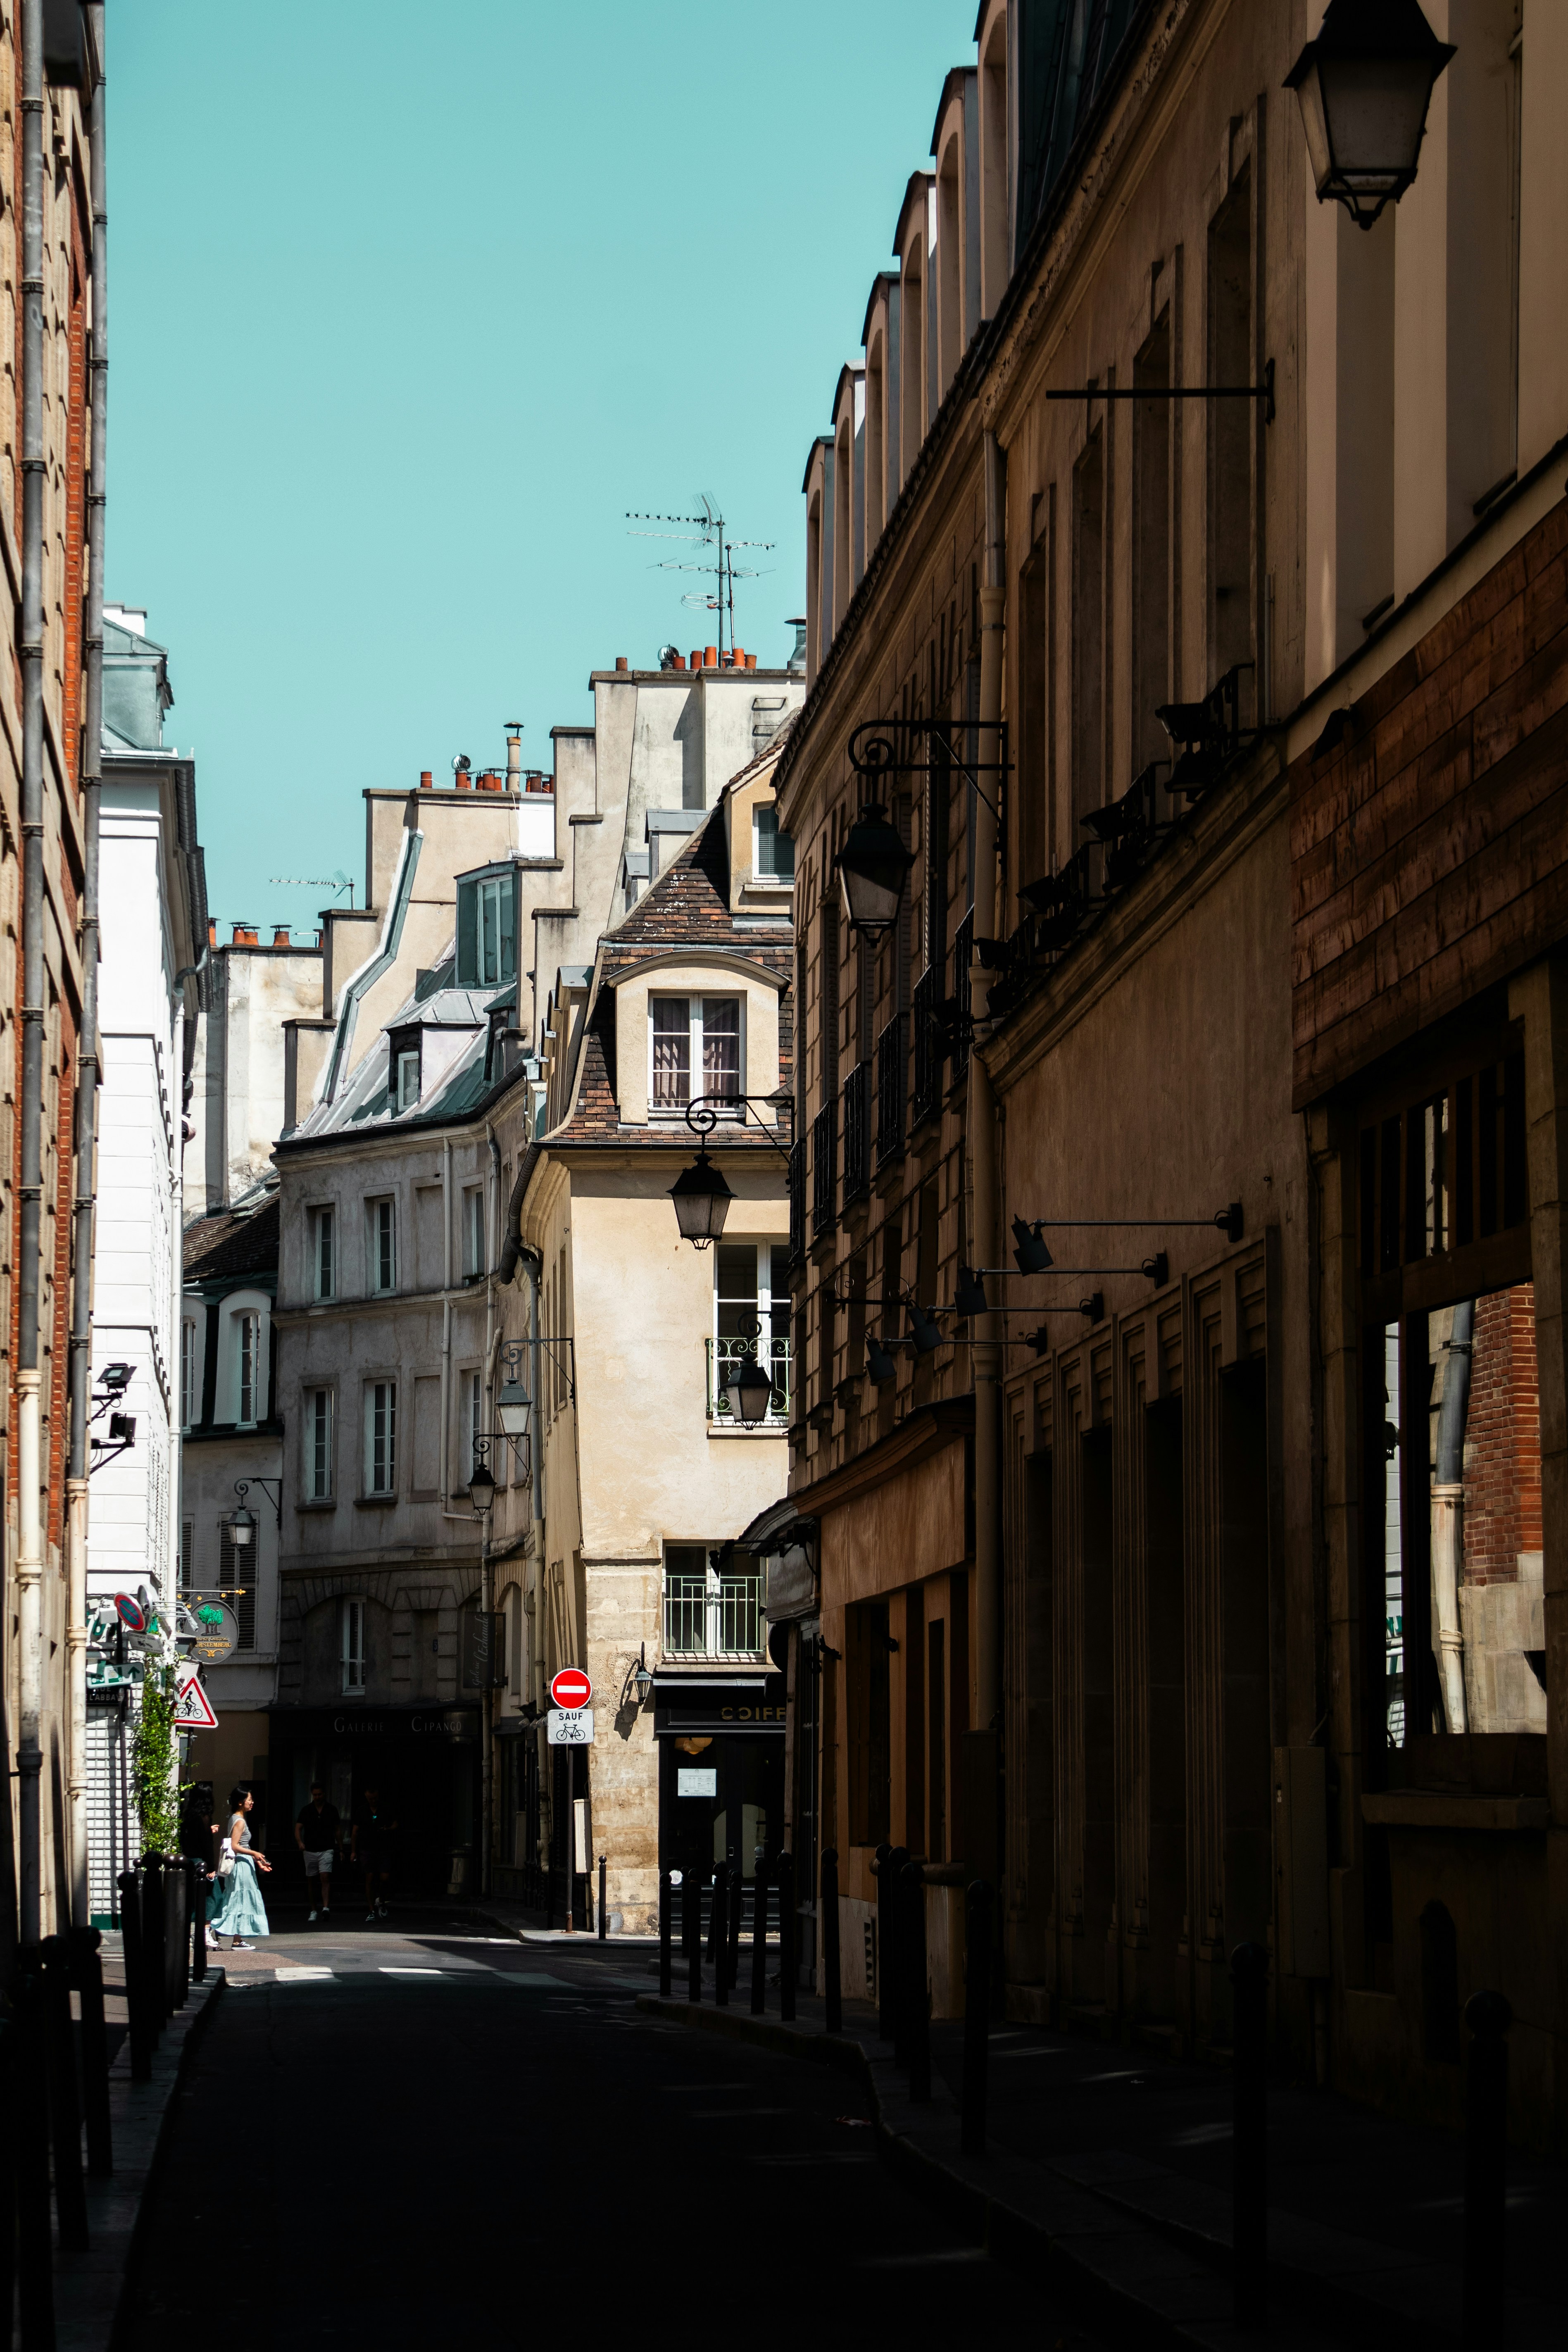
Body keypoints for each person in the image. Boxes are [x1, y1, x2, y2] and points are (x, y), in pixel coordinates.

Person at [205, 1783, 271, 1951]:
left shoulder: (234, 1818)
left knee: (238, 1900)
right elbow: (235, 1845)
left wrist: (257, 1860)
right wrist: (255, 1854)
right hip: (241, 1866)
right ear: (241, 1802)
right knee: (239, 1900)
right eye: (250, 1799)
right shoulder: (240, 1821)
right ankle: (210, 1927)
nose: (252, 1802)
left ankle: (236, 1939)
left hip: (242, 1863)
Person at [294, 1781, 342, 1923]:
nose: (317, 1797)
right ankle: (314, 1909)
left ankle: (325, 1907)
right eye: (315, 1795)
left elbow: (338, 1830)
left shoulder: (331, 1810)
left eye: (320, 1794)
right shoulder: (307, 1810)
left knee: (325, 1877)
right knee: (311, 1880)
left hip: (327, 1848)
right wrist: (300, 1842)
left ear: (324, 1794)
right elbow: (298, 1828)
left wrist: (340, 1848)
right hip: (310, 1849)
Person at [352, 1786, 397, 1921]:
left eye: (375, 1798)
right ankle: (371, 1910)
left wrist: (388, 1829)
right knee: (370, 1878)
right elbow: (355, 1832)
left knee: (385, 1878)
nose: (373, 1801)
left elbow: (396, 1824)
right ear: (366, 1797)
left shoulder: (386, 1808)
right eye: (370, 1799)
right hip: (367, 1849)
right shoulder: (361, 1811)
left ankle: (381, 1901)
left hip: (384, 1848)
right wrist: (354, 1851)